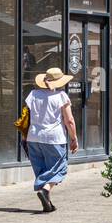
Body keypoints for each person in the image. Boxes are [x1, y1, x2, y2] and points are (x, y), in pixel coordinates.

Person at [23, 66, 79, 213]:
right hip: (54, 138)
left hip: (33, 137)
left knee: (42, 170)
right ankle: (46, 189)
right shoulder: (61, 96)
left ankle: (47, 202)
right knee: (59, 168)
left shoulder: (33, 94)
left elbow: (28, 115)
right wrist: (74, 138)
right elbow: (69, 120)